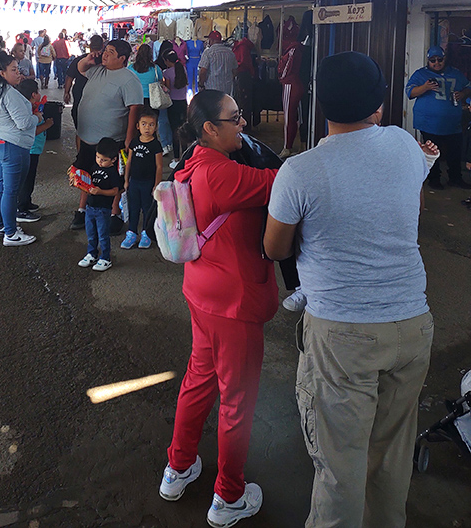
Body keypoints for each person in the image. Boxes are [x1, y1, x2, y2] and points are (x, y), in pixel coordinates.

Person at [265, 51, 435, 528]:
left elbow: (275, 248)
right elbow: (412, 204)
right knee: (390, 461)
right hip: (411, 325)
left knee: (340, 468)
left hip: (343, 335)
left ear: (319, 105)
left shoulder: (301, 170)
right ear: (378, 103)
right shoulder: (405, 146)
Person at [159, 90, 277, 527]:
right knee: (237, 401)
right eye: (236, 118)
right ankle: (228, 496)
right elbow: (284, 180)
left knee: (198, 379)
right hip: (234, 301)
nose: (242, 124)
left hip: (202, 291)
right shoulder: (222, 173)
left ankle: (178, 467)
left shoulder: (192, 163)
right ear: (210, 127)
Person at [70, 40, 144, 232]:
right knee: (86, 173)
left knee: (112, 178)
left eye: (110, 52)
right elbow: (80, 68)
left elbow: (134, 108)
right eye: (105, 51)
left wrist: (129, 138)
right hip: (86, 136)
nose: (105, 55)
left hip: (111, 139)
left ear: (122, 59)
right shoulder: (98, 70)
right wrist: (88, 58)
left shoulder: (129, 79)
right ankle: (82, 209)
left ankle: (114, 214)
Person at [0, 51, 39, 247]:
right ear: (2, 73)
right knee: (11, 191)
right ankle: (11, 233)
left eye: (18, 69)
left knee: (0, 187)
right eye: (14, 70)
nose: (19, 73)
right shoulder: (10, 94)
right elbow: (24, 123)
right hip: (13, 147)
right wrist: (38, 118)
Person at [406, 45, 471, 187]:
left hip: (453, 123)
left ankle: (455, 178)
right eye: (433, 60)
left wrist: (463, 94)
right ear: (428, 61)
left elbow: (468, 87)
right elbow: (410, 93)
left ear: (445, 59)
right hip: (428, 123)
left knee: (455, 152)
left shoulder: (456, 73)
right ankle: (434, 179)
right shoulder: (420, 74)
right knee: (431, 152)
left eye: (440, 60)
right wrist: (425, 87)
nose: (436, 63)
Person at [77, 137, 123, 272]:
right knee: (90, 233)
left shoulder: (113, 173)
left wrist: (100, 191)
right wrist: (79, 183)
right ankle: (91, 254)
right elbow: (88, 182)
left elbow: (115, 191)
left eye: (104, 160)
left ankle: (106, 258)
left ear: (113, 160)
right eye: (98, 157)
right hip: (90, 206)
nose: (100, 162)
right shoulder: (94, 167)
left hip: (103, 209)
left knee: (103, 235)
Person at [120, 109, 162, 249]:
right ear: (138, 126)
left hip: (148, 183)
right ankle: (131, 233)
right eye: (144, 124)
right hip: (134, 182)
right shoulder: (134, 142)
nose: (147, 128)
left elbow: (159, 167)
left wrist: (156, 185)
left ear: (156, 127)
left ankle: (146, 233)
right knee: (133, 207)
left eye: (151, 125)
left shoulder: (156, 145)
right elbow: (129, 162)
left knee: (147, 208)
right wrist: (126, 180)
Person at [15, 79, 53, 223]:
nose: (39, 94)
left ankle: (27, 202)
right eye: (37, 92)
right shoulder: (28, 111)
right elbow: (33, 131)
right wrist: (47, 125)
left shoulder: (32, 106)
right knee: (27, 180)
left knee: (30, 178)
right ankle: (21, 209)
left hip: (34, 149)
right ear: (33, 94)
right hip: (29, 149)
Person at [64, 34, 104, 139]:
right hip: (98, 94)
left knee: (78, 116)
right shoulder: (105, 61)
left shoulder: (80, 60)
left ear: (89, 46)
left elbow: (69, 77)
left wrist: (66, 92)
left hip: (80, 92)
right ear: (102, 46)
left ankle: (81, 137)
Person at [162, 49, 188, 169]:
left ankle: (177, 158)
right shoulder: (182, 69)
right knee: (183, 129)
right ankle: (186, 156)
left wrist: (161, 86)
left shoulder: (167, 72)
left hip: (172, 104)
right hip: (183, 103)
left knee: (175, 130)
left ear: (167, 61)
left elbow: (168, 89)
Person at [198, 31, 237, 96]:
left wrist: (201, 85)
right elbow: (235, 71)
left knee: (212, 105)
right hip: (227, 90)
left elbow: (203, 71)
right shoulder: (230, 53)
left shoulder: (208, 53)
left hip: (212, 88)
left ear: (211, 40)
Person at [128, 42, 163, 107]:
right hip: (152, 98)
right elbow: (160, 80)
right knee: (152, 116)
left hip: (135, 97)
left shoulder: (131, 68)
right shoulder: (155, 68)